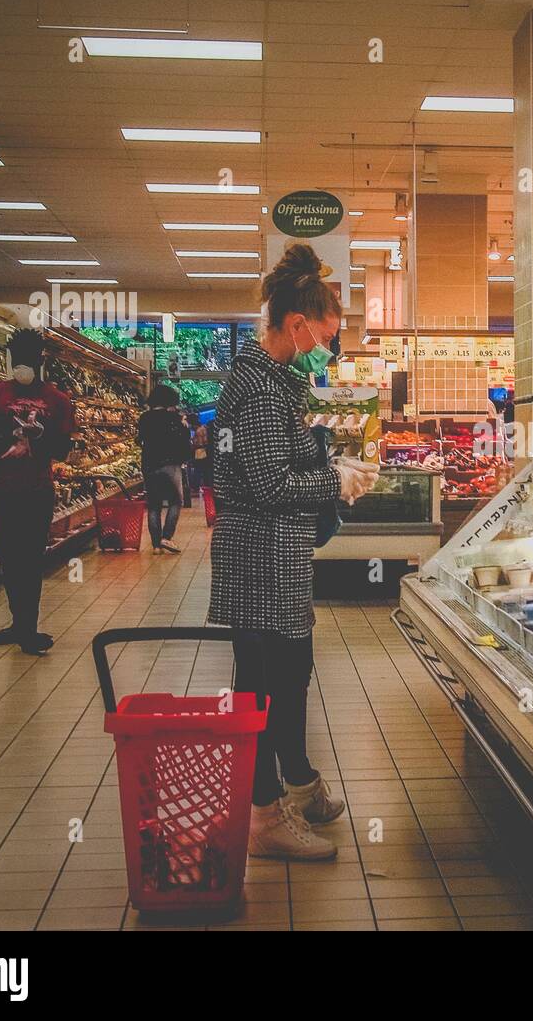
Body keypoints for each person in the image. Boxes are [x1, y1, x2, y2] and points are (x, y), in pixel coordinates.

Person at [209, 243, 378, 861]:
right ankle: (263, 818)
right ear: (296, 323)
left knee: (289, 672)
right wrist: (334, 482)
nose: (327, 350)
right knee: (261, 686)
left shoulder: (276, 377)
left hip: (278, 556)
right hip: (258, 557)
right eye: (325, 337)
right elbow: (268, 485)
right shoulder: (255, 386)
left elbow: (282, 462)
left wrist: (332, 458)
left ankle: (297, 781)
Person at [0, 328, 75, 656]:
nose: (23, 366)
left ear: (39, 361)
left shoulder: (58, 400)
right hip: (1, 490)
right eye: (18, 359)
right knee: (7, 558)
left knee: (30, 559)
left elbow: (62, 450)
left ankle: (28, 627)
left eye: (29, 360)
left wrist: (38, 436)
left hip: (37, 491)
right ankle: (20, 622)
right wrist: (6, 433)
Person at [137, 383, 191, 555]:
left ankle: (155, 546)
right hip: (170, 465)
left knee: (154, 505)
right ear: (170, 400)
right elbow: (184, 442)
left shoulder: (144, 418)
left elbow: (140, 440)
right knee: (176, 501)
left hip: (149, 465)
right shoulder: (175, 419)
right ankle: (166, 537)